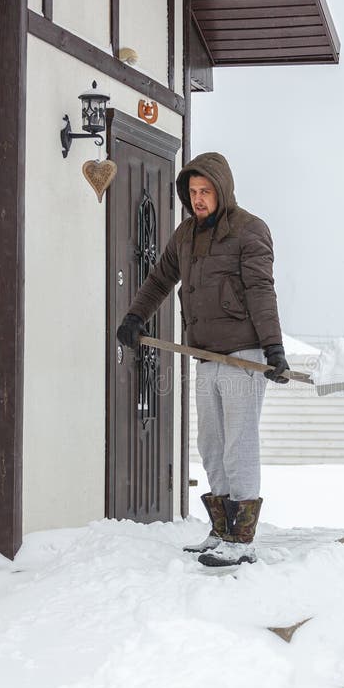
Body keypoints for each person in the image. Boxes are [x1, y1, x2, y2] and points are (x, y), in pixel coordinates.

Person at [117, 152, 289, 567]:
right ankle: (222, 529)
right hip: (205, 354)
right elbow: (160, 278)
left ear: (222, 190)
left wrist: (273, 349)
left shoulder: (249, 231)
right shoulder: (186, 235)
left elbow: (262, 292)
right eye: (192, 192)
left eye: (205, 191)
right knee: (210, 443)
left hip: (243, 356)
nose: (198, 199)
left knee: (238, 443)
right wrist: (135, 316)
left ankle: (242, 538)